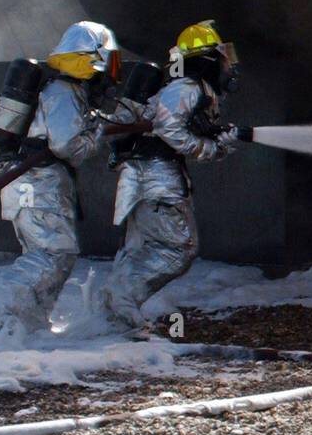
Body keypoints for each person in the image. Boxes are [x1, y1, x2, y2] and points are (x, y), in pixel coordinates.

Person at [0, 21, 119, 334]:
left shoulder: (62, 90)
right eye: (107, 62)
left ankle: (28, 325)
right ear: (91, 59)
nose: (109, 72)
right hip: (38, 182)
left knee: (51, 256)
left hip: (31, 181)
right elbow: (67, 144)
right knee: (54, 254)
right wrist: (97, 135)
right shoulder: (63, 92)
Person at [100, 21, 241, 329]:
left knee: (140, 248)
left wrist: (218, 142)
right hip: (156, 175)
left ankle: (113, 315)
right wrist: (207, 147)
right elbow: (168, 128)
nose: (229, 64)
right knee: (179, 247)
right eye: (222, 56)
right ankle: (122, 301)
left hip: (143, 174)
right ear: (207, 60)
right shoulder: (186, 88)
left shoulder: (191, 90)